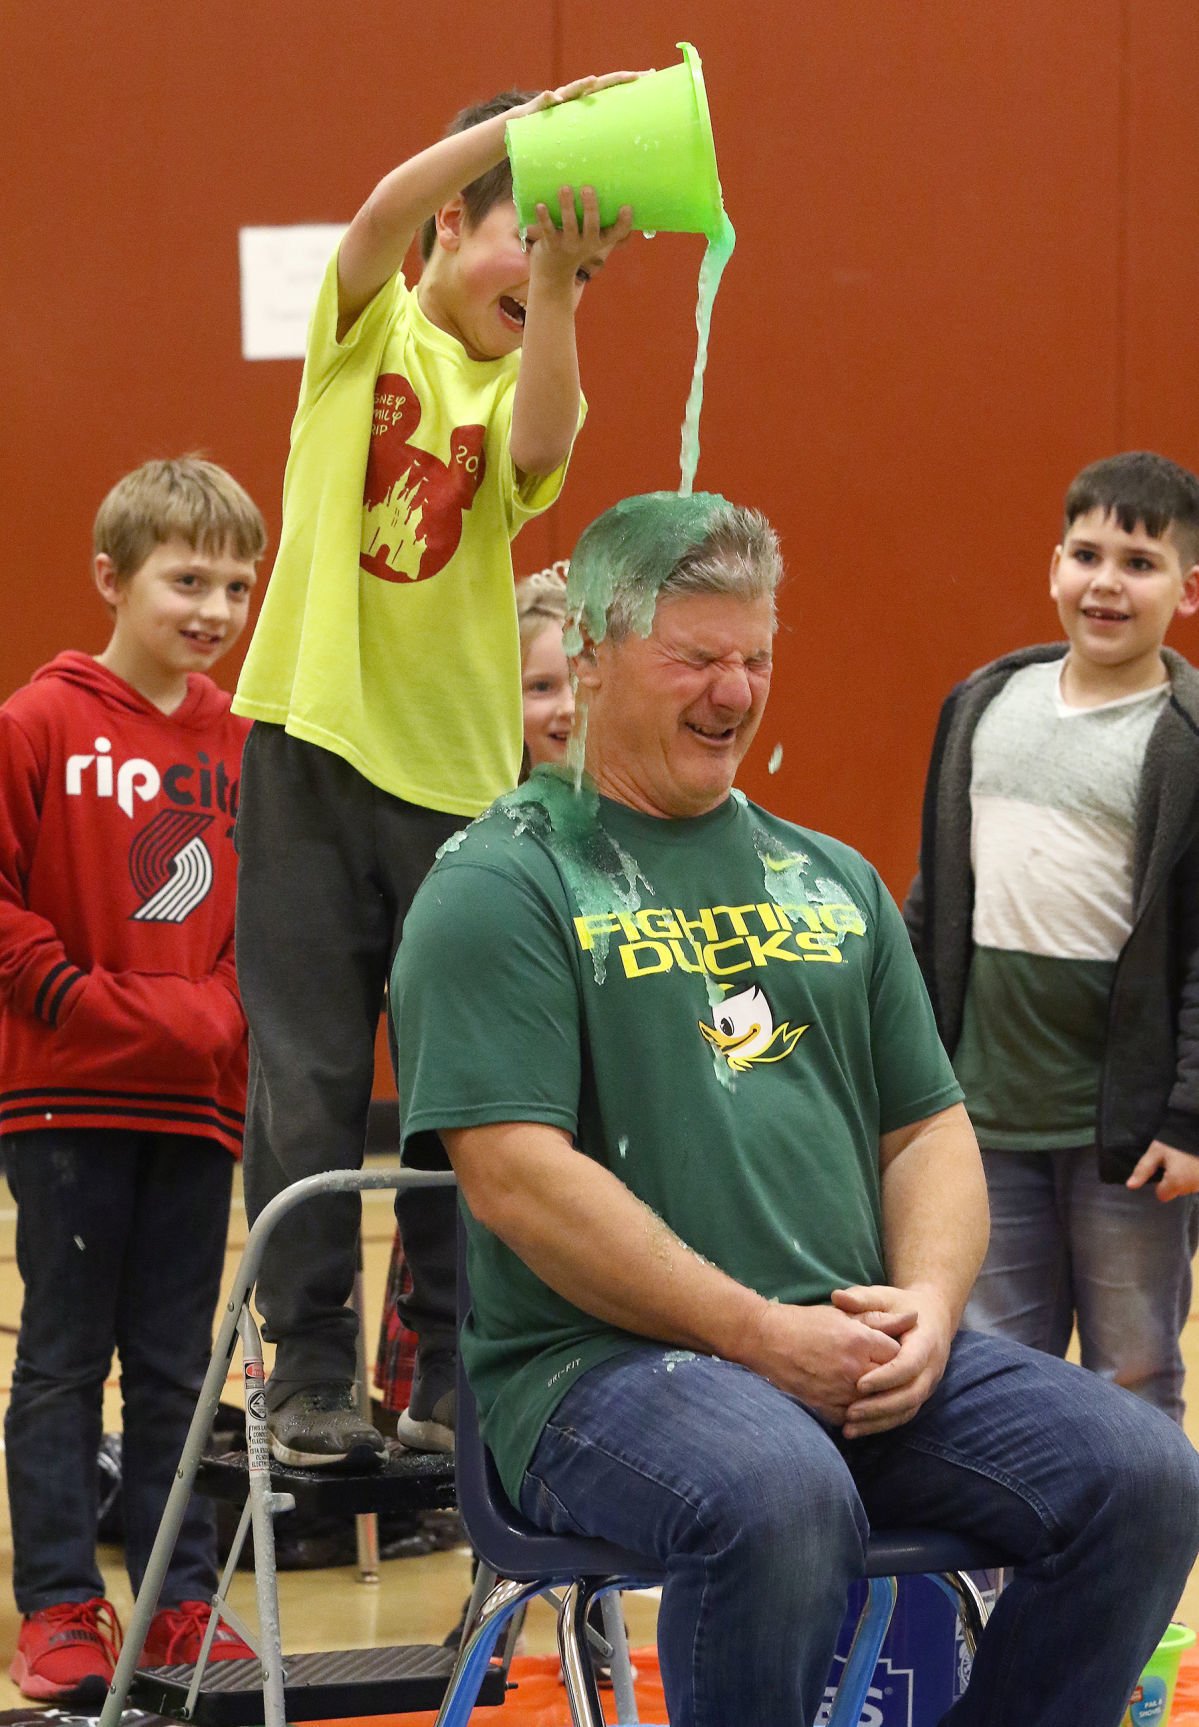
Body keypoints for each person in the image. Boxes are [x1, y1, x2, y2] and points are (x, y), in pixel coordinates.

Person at [390, 491, 1199, 1727]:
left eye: (755, 655)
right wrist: (757, 1334)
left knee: (1144, 1475)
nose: (735, 689)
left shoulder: (828, 876)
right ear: (593, 659)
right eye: (695, 658)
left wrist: (928, 1307)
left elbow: (927, 1129)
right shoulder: (498, 884)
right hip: (596, 1375)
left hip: (847, 1364)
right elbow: (514, 1176)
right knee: (777, 1490)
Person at [232, 74, 637, 1469]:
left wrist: (567, 293)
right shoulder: (365, 334)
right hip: (307, 740)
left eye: (562, 251)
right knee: (307, 1074)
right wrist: (520, 139)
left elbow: (532, 451)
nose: (535, 266)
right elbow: (376, 210)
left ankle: (454, 1361)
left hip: (455, 788)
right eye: (518, 235)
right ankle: (307, 1367)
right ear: (449, 233)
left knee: (460, 1090)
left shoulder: (522, 371)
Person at [0, 458, 266, 1704]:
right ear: (112, 578)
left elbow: (262, 922)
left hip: (194, 1103)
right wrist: (71, 999)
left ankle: (179, 1603)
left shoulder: (240, 739)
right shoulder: (38, 723)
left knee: (179, 1368)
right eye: (185, 578)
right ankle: (58, 1604)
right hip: (64, 1098)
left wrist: (218, 1022)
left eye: (234, 581)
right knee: (61, 1355)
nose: (212, 604)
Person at [905, 450, 1199, 1421]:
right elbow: (932, 905)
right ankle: (995, 1578)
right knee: (992, 1366)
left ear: (1185, 589)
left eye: (1138, 560)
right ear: (1051, 567)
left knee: (1132, 1371)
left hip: (1125, 1136)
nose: (1106, 580)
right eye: (1085, 552)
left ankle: (1130, 1571)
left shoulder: (1183, 740)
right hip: (982, 1118)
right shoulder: (983, 707)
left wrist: (1186, 1117)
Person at [374, 561, 575, 1424]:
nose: (565, 707)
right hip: (491, 1201)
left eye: (579, 678)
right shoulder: (473, 857)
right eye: (537, 685)